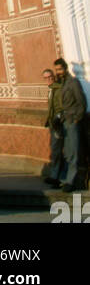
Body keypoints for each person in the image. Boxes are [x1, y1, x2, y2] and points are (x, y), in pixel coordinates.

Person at [52, 56, 87, 191]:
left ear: (65, 69)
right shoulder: (61, 84)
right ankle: (65, 179)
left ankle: (72, 181)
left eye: (60, 69)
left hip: (71, 120)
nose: (58, 72)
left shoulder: (73, 83)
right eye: (57, 70)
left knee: (73, 151)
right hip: (63, 121)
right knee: (67, 151)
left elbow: (81, 102)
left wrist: (77, 118)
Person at [41, 67, 59, 183]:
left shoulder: (58, 90)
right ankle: (55, 176)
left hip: (58, 124)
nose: (48, 79)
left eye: (50, 77)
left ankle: (56, 177)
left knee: (58, 151)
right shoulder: (51, 90)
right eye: (46, 78)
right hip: (53, 124)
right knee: (55, 150)